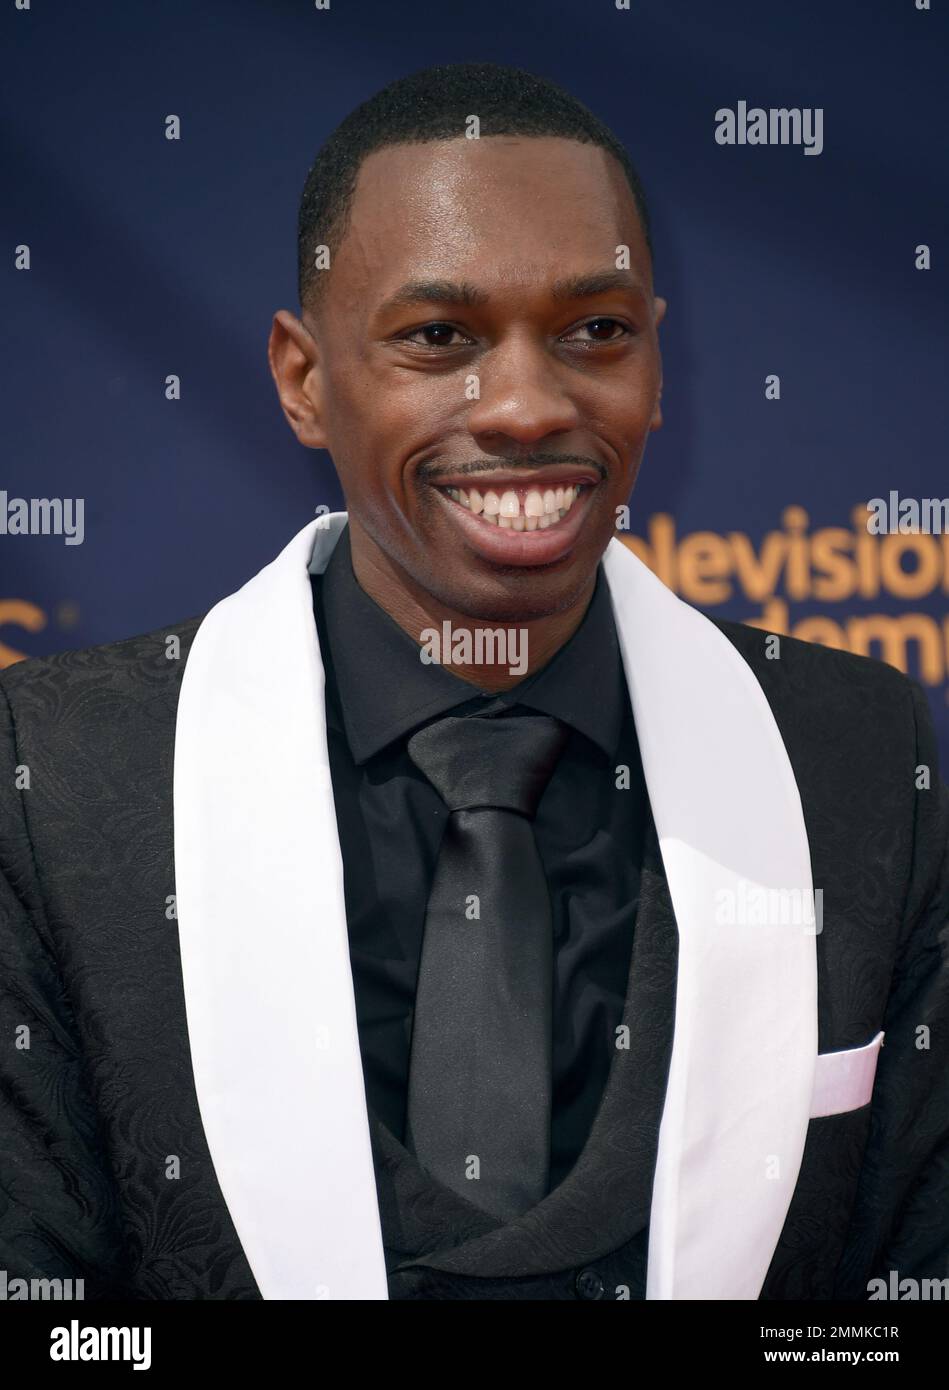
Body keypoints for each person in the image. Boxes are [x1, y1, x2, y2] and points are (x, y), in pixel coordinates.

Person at [1, 62, 947, 1302]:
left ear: (659, 361)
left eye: (594, 330)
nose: (523, 405)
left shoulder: (854, 748)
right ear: (302, 379)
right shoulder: (58, 771)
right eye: (440, 336)